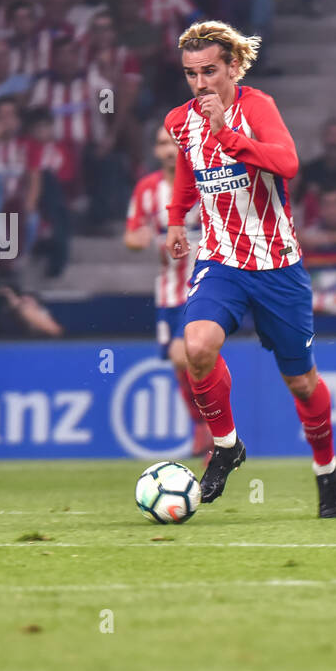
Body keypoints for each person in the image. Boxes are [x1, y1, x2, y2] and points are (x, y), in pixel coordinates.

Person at [163, 20, 336, 518]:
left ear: (234, 67)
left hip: (276, 266)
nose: (200, 84)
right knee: (196, 346)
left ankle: (327, 472)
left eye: (210, 71)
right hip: (221, 259)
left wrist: (228, 133)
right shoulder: (180, 121)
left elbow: (288, 163)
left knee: (302, 383)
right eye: (191, 74)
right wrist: (177, 219)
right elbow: (188, 168)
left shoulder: (257, 107)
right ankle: (226, 445)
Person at [124, 126, 209, 458]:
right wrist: (138, 240)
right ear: (156, 151)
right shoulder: (147, 190)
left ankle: (206, 427)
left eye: (174, 141)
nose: (169, 149)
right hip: (167, 292)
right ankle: (207, 429)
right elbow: (131, 236)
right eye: (162, 143)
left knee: (181, 354)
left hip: (204, 284)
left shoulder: (206, 179)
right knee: (182, 365)